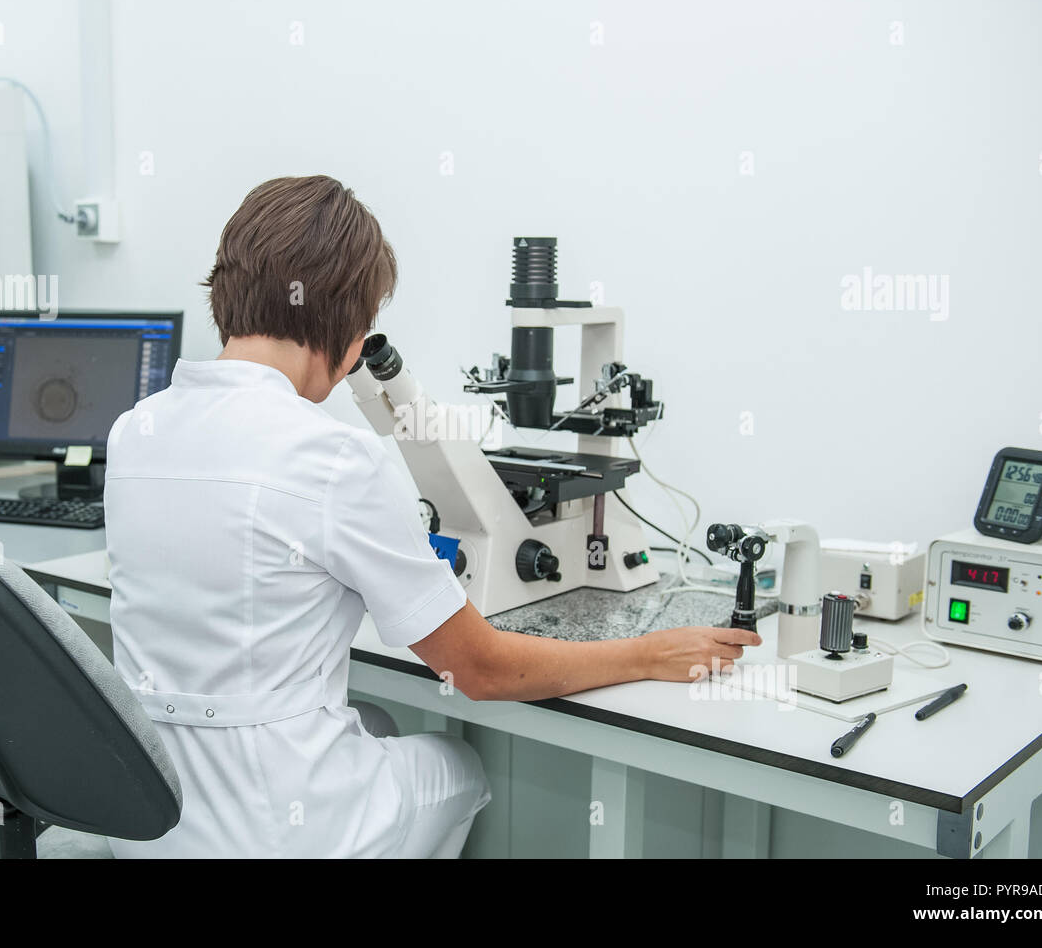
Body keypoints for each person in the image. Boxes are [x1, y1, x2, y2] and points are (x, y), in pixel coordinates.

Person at [103, 175, 761, 858]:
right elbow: (482, 672)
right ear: (343, 321)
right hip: (275, 833)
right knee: (460, 767)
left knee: (379, 717)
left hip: (154, 821)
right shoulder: (332, 458)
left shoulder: (134, 431)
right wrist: (649, 653)